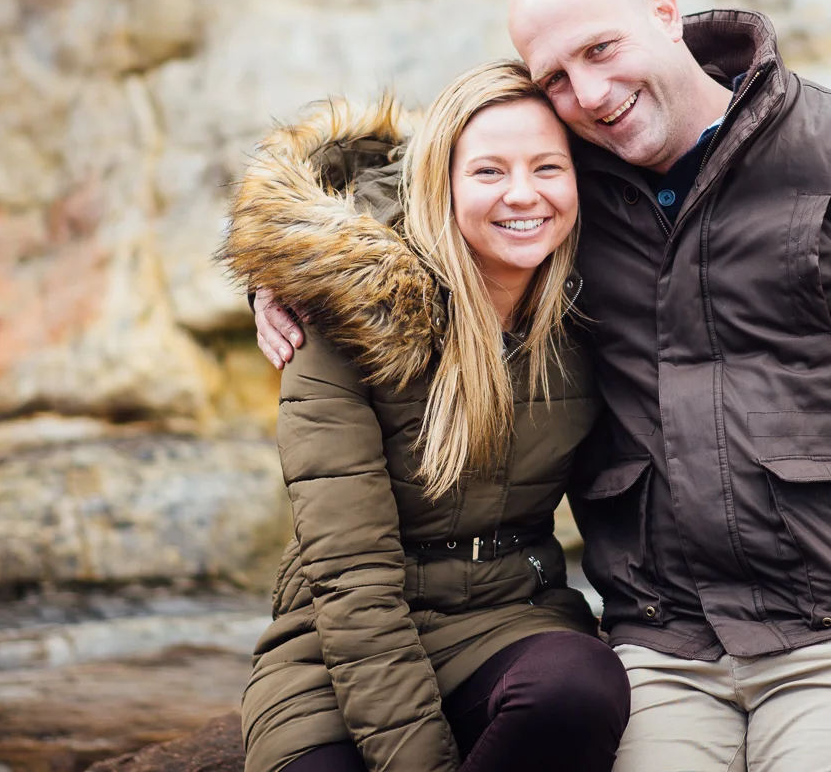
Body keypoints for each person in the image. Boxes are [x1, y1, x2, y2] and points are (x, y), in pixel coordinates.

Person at [254, 0, 831, 772]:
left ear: (665, 11)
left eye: (601, 49)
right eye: (555, 77)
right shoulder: (569, 178)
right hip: (663, 643)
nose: (590, 94)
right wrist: (292, 270)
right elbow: (429, 188)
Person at [225, 59, 630, 772]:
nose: (523, 194)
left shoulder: (593, 305)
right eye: (488, 172)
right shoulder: (346, 318)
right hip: (334, 646)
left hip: (508, 620)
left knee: (576, 692)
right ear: (440, 182)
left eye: (547, 167)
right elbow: (351, 574)